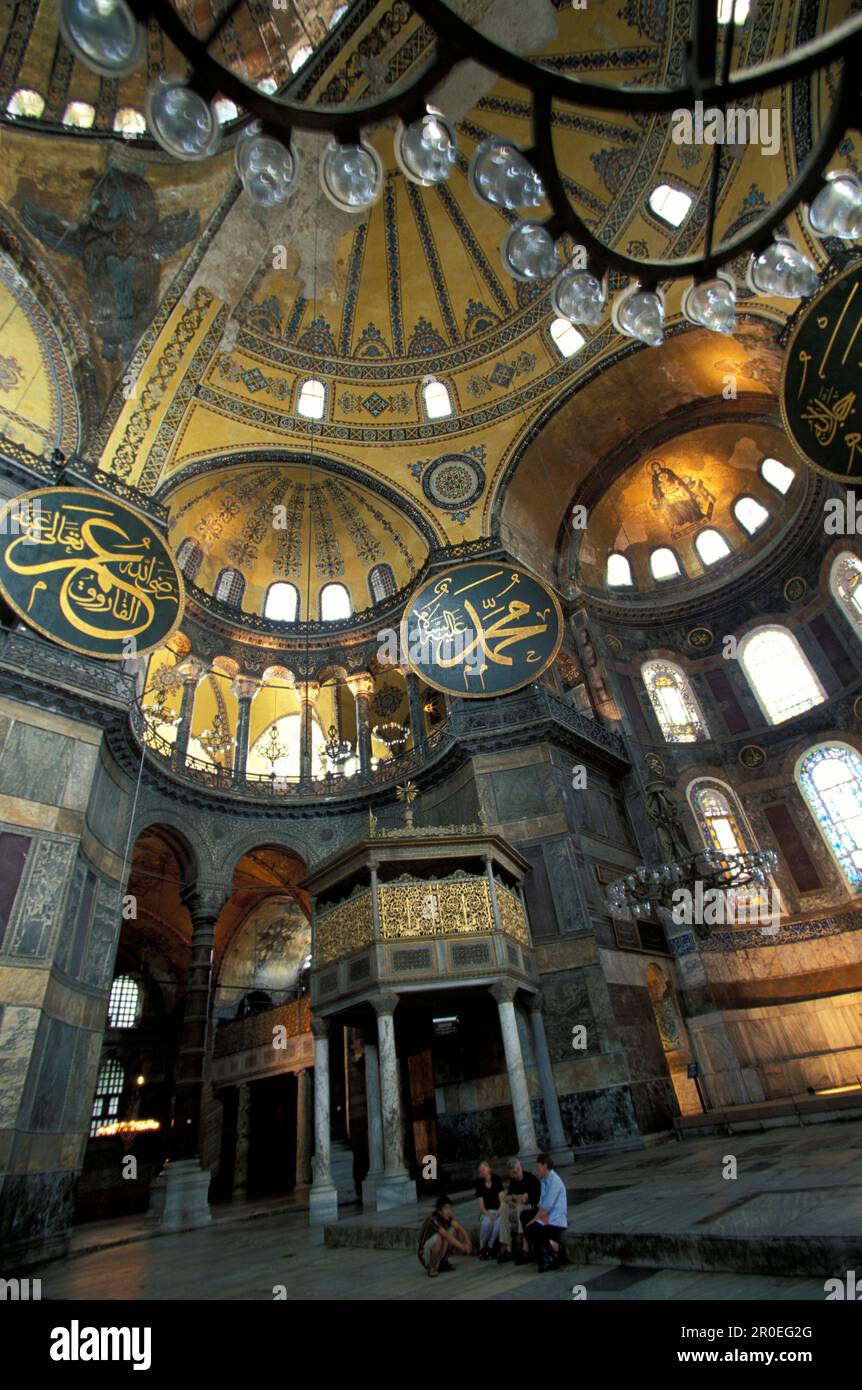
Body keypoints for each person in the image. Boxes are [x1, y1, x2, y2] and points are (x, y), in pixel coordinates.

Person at [525, 1153, 568, 1272]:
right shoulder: (544, 1181)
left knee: (531, 1229)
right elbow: (541, 1204)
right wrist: (539, 1217)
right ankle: (546, 1252)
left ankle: (550, 1255)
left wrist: (534, 1220)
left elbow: (547, 1206)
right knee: (525, 1215)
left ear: (545, 1166)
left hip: (556, 1221)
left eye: (539, 1167)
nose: (537, 1170)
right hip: (547, 1217)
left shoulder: (555, 1181)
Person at [497, 1157, 541, 1263]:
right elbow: (506, 1198)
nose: (517, 1173)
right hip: (518, 1209)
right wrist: (515, 1198)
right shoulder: (514, 1181)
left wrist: (515, 1198)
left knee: (520, 1205)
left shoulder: (530, 1178)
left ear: (521, 1166)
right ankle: (508, 1248)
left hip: (532, 1209)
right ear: (511, 1174)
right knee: (503, 1207)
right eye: (514, 1172)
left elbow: (525, 1199)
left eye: (518, 1169)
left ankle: (525, 1249)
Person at [417, 1196, 472, 1278]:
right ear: (439, 1211)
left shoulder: (447, 1218)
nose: (449, 1211)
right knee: (438, 1237)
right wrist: (463, 1248)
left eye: (449, 1208)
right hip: (425, 1254)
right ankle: (431, 1267)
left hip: (437, 1248)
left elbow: (459, 1227)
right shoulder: (432, 1219)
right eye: (446, 1209)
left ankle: (443, 1263)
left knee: (453, 1230)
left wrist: (468, 1242)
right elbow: (446, 1235)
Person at [475, 1159, 505, 1260]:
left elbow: (502, 1202)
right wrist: (490, 1215)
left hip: (498, 1211)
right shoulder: (479, 1184)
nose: (482, 1172)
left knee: (499, 1222)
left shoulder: (497, 1179)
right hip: (486, 1212)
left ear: (489, 1169)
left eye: (484, 1169)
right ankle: (482, 1247)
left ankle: (490, 1246)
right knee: (486, 1223)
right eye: (480, 1171)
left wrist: (497, 1214)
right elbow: (481, 1207)